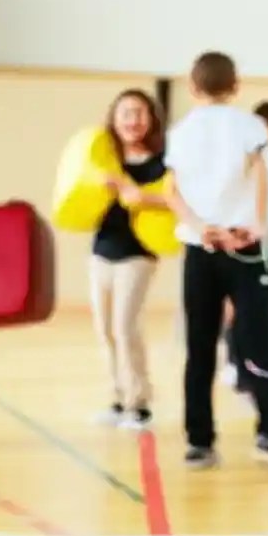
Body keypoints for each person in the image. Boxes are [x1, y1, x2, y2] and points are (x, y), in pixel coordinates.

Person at [163, 52, 268, 475]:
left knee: (200, 348)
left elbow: (170, 191)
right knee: (261, 344)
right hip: (247, 247)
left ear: (192, 87)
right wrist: (256, 223)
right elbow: (259, 171)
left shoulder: (180, 131)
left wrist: (201, 226)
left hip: (201, 248)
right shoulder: (249, 125)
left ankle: (199, 442)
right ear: (236, 86)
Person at [90, 89, 169, 430]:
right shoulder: (104, 159)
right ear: (114, 118)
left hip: (138, 254)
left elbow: (176, 201)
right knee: (105, 329)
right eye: (126, 113)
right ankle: (118, 398)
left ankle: (140, 404)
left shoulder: (163, 161)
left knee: (125, 327)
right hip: (101, 251)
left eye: (139, 113)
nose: (132, 120)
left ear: (151, 119)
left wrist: (141, 196)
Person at [223, 101, 268, 390]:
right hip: (258, 245)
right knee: (259, 316)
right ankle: (247, 374)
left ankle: (253, 374)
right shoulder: (258, 155)